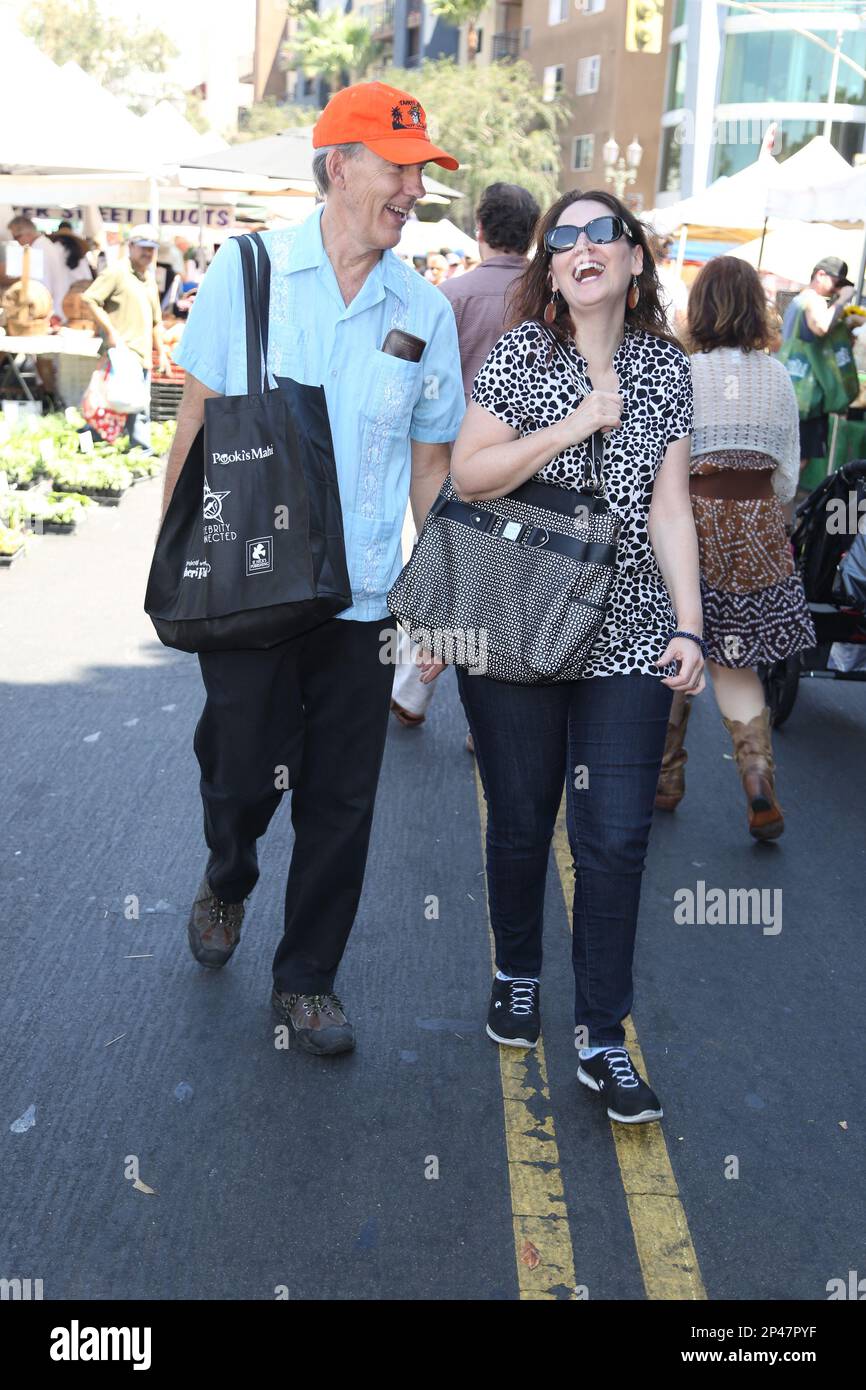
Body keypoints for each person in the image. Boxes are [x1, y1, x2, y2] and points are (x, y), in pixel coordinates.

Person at [162, 81, 464, 1057]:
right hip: (251, 584)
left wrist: (443, 592)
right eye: (394, 165)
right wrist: (176, 563)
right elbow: (197, 418)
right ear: (338, 164)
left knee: (341, 795)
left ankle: (307, 982)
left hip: (362, 595)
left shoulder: (422, 307)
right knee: (241, 770)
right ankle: (227, 873)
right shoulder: (246, 272)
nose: (411, 188)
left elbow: (429, 463)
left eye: (419, 171)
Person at [429, 188, 704, 1124]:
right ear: (552, 268)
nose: (582, 248)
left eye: (603, 234)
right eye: (565, 238)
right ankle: (516, 968)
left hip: (627, 631)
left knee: (617, 834)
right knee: (520, 816)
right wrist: (577, 423)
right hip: (517, 623)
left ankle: (600, 1036)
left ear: (634, 260)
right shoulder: (519, 357)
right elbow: (470, 473)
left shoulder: (668, 370)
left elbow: (671, 506)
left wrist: (690, 623)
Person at [655, 256, 815, 840]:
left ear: (700, 307)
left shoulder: (682, 370)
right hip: (757, 526)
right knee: (737, 661)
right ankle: (756, 777)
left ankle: (665, 779)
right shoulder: (775, 375)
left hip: (690, 519)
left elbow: (659, 463)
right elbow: (788, 482)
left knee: (675, 645)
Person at [390, 181, 541, 734]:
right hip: (530, 465)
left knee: (443, 571)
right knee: (512, 589)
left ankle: (410, 690)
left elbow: (408, 375)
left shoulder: (447, 297)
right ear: (533, 234)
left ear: (479, 230)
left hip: (451, 459)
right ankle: (490, 728)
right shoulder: (546, 297)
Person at [82, 224, 170, 453]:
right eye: (143, 248)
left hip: (141, 355)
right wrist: (110, 331)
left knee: (128, 405)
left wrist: (161, 352)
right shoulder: (117, 272)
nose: (148, 253)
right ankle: (141, 451)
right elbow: (90, 299)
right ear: (130, 246)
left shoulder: (148, 278)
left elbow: (156, 321)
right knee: (110, 405)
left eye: (152, 249)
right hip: (121, 351)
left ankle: (91, 446)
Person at [781, 256, 856, 472]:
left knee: (794, 455)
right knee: (800, 457)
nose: (837, 289)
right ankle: (783, 502)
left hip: (794, 387)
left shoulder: (800, 300)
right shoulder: (812, 300)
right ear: (820, 275)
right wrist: (842, 301)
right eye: (836, 282)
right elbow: (821, 327)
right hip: (806, 395)